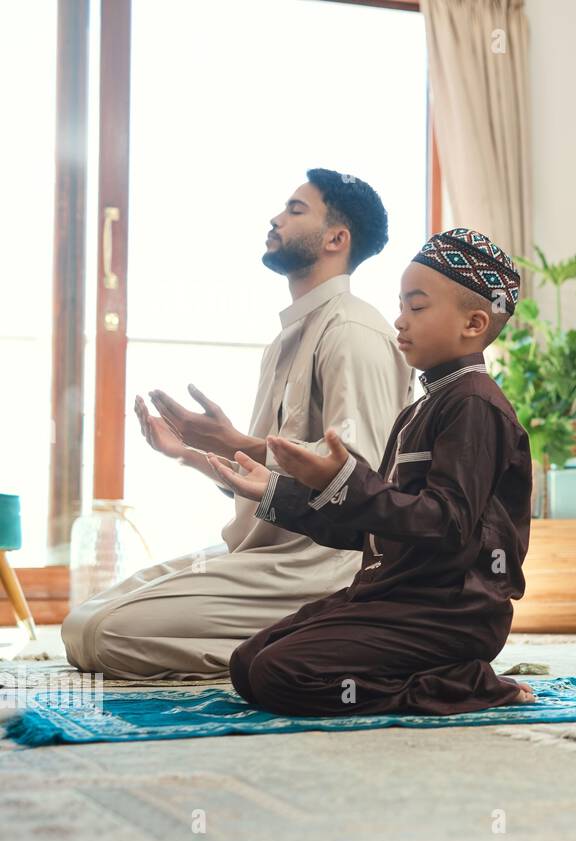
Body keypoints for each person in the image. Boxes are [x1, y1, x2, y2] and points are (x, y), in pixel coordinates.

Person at [62, 169, 412, 680]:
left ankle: (317, 651)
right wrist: (192, 453)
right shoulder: (285, 340)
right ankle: (298, 644)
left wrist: (233, 442)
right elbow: (267, 480)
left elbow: (358, 478)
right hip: (255, 552)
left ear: (337, 238)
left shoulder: (353, 331)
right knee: (82, 621)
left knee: (105, 635)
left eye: (296, 210)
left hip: (319, 566)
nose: (276, 218)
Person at [209, 228, 536, 716]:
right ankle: (432, 673)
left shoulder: (475, 404)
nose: (400, 322)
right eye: (400, 306)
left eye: (417, 307)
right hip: (391, 595)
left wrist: (347, 480)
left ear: (473, 322)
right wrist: (275, 492)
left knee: (281, 674)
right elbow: (376, 529)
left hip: (448, 612)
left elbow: (446, 524)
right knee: (248, 663)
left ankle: (461, 685)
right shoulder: (420, 410)